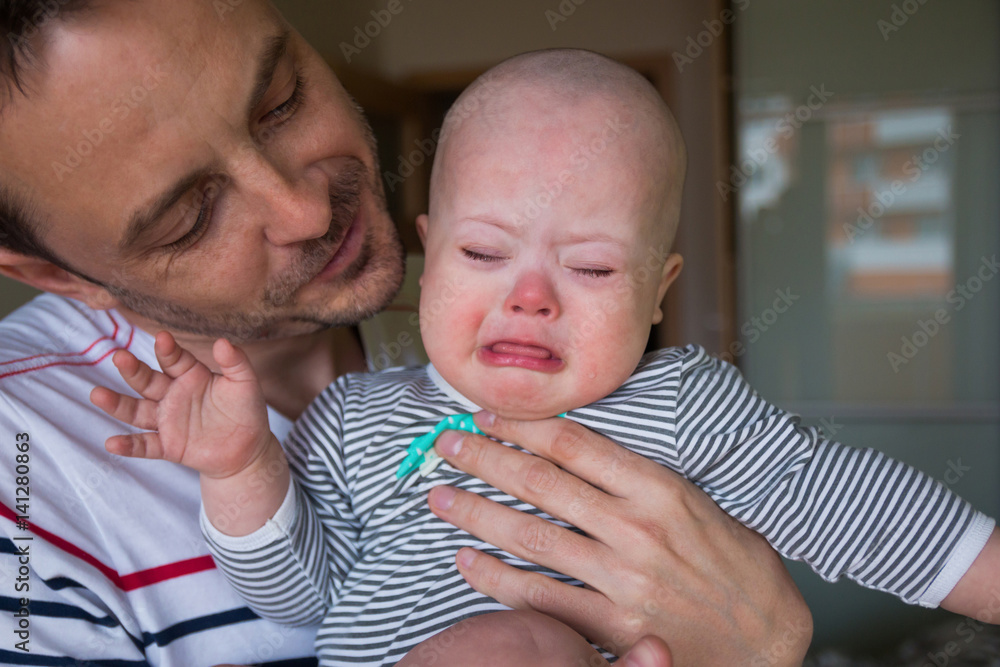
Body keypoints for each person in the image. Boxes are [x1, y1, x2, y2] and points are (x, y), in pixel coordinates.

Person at [93, 49, 999, 666]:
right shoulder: (356, 418)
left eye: (593, 267)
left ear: (657, 292)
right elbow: (300, 592)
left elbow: (851, 505)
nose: (531, 296)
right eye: (484, 255)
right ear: (430, 252)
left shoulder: (681, 405)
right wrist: (242, 468)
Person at [0, 1, 812, 665]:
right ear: (59, 273)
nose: (307, 209)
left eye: (281, 101)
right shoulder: (18, 473)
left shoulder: (497, 315)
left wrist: (770, 645)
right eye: (190, 217)